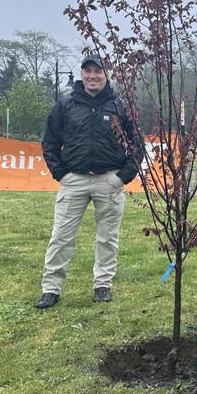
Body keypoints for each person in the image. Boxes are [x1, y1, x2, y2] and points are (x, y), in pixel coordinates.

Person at [35, 54, 142, 309]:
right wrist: (60, 174)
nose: (93, 76)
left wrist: (122, 178)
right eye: (88, 71)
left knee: (107, 237)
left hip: (109, 180)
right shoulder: (66, 105)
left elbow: (137, 146)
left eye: (98, 71)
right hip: (74, 181)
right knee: (61, 236)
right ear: (82, 75)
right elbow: (50, 142)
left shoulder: (120, 107)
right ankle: (51, 289)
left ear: (106, 75)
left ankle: (102, 286)